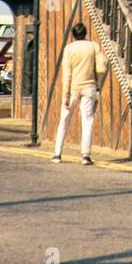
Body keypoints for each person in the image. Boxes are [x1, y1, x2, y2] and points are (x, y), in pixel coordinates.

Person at [51, 21, 107, 165]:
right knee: (87, 120)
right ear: (85, 33)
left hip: (73, 88)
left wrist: (65, 96)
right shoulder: (93, 46)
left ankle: (57, 153)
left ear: (73, 35)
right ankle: (85, 155)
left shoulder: (69, 49)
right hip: (90, 86)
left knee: (64, 119)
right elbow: (101, 68)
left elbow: (67, 74)